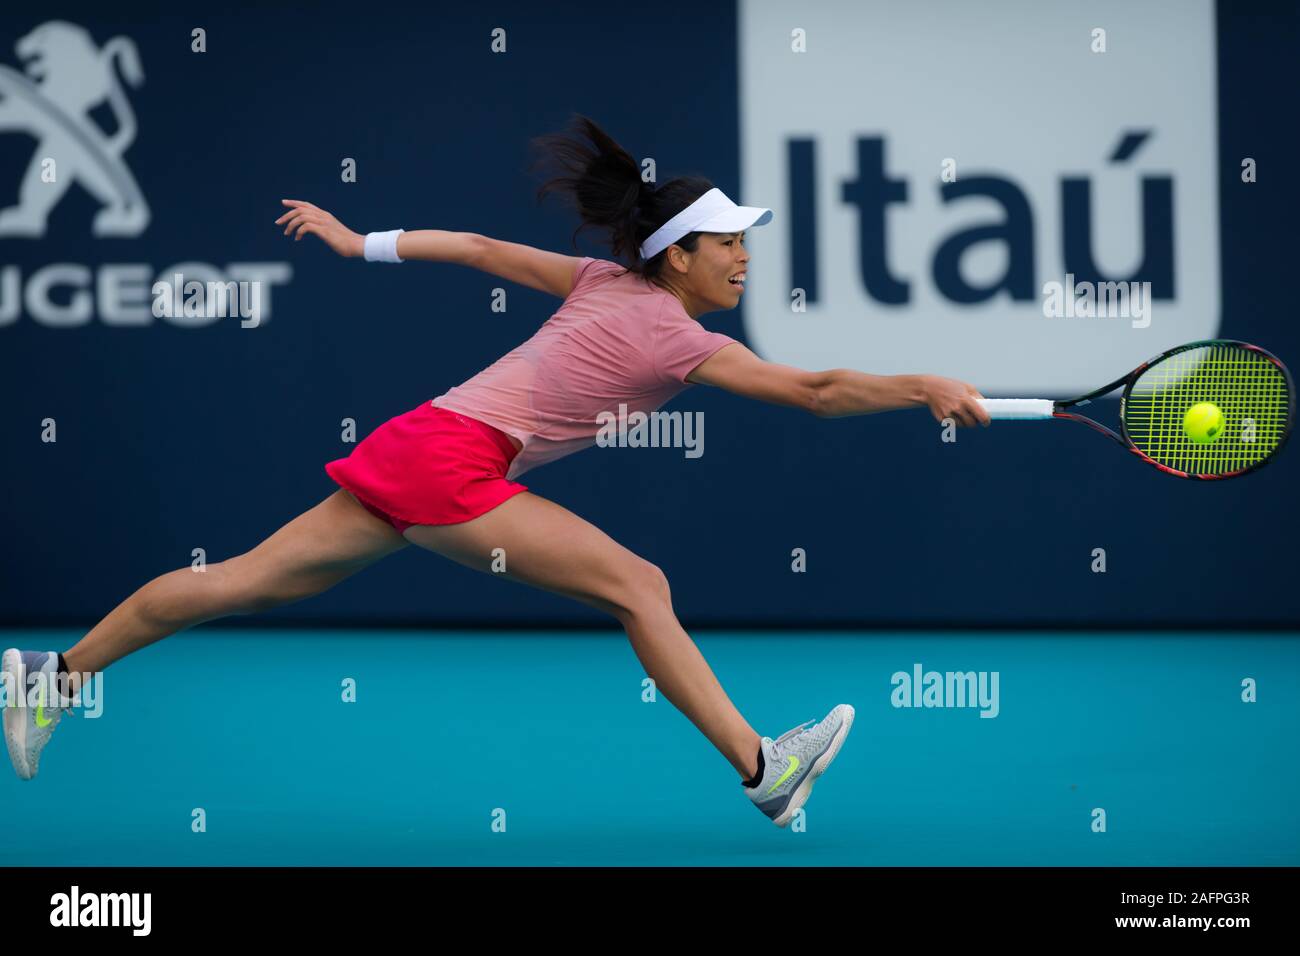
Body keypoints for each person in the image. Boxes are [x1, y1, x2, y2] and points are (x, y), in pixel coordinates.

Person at [3, 115, 990, 827]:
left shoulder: (607, 280)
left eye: (743, 242)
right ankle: (763, 768)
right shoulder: (670, 331)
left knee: (240, 581)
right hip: (452, 462)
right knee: (639, 585)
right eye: (726, 243)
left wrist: (361, 243)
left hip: (421, 437)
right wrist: (923, 383)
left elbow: (477, 248)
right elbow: (813, 389)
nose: (743, 259)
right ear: (676, 255)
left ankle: (54, 675)